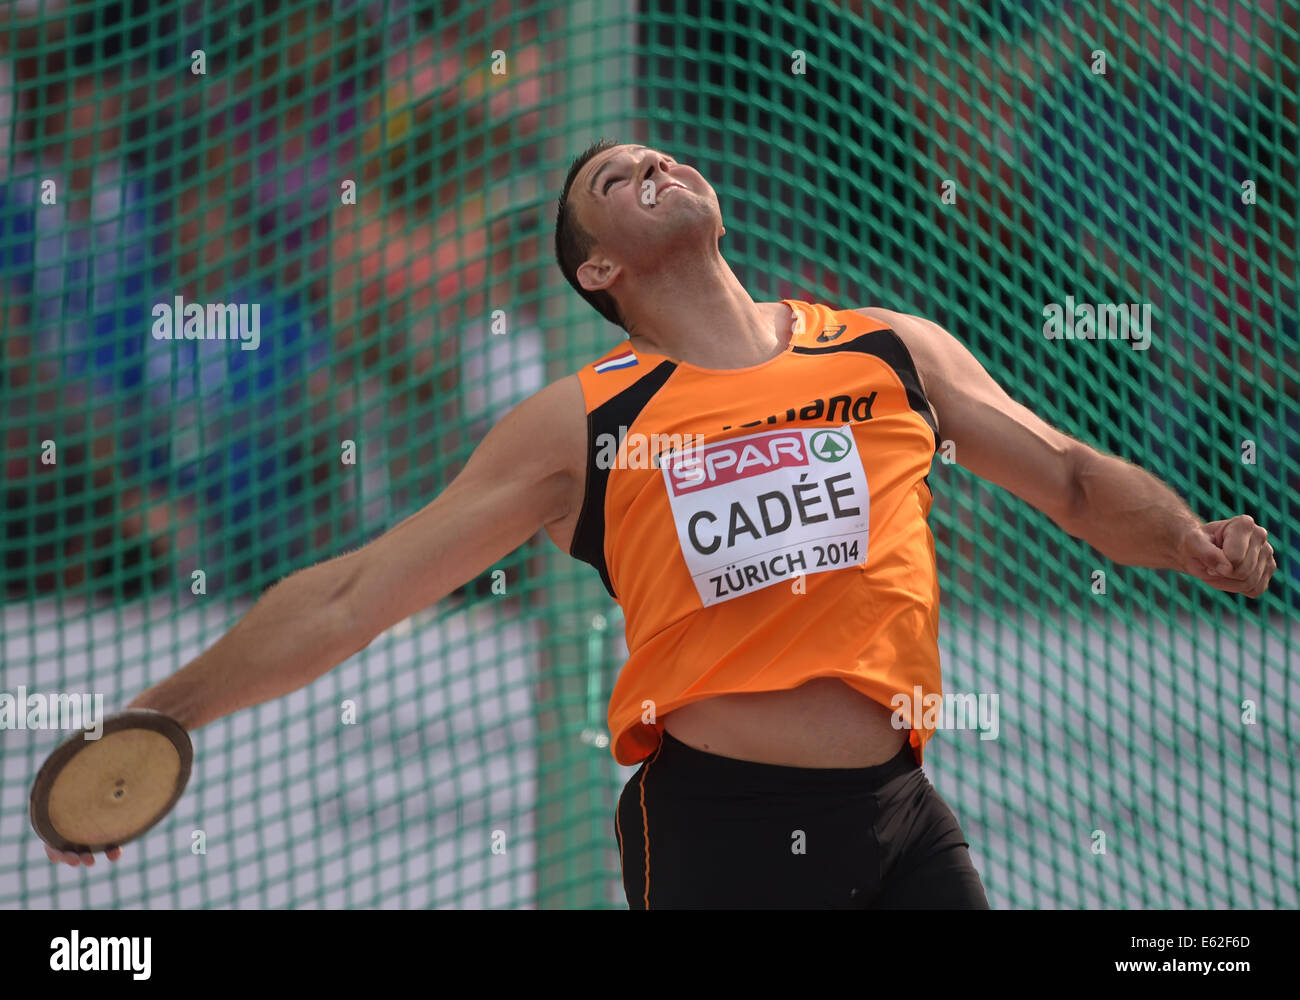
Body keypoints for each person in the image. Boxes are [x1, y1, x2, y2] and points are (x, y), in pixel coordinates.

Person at [44, 141, 1277, 912]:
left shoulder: (889, 349)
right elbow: (354, 592)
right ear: (596, 273)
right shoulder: (581, 421)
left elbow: (1065, 477)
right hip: (717, 828)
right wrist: (165, 710)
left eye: (659, 157)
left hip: (903, 810)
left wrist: (1183, 537)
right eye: (611, 179)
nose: (652, 166)